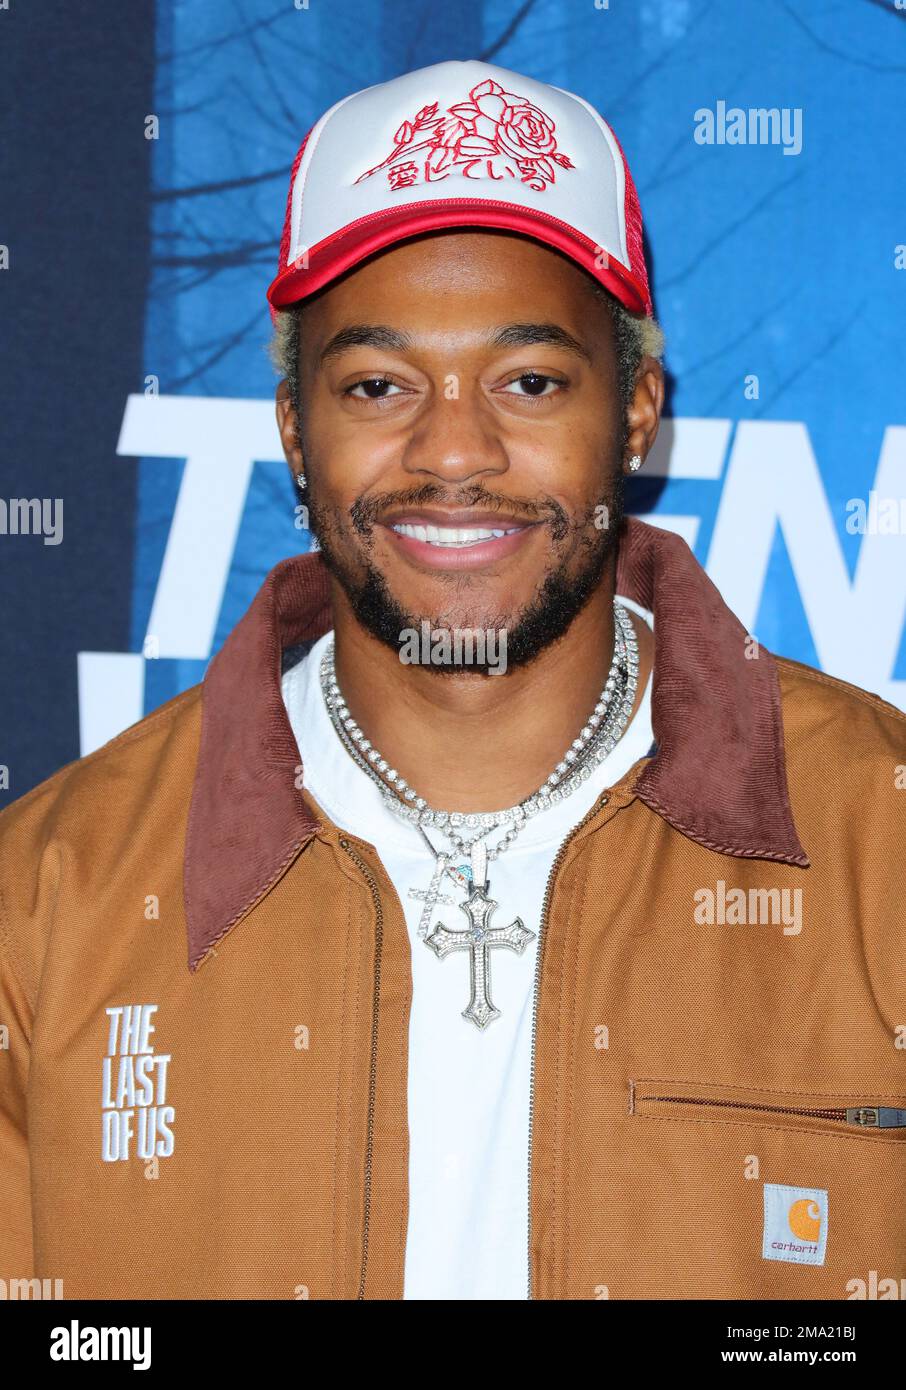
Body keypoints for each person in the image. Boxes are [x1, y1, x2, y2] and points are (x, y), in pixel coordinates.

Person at [1, 59, 903, 1303]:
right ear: (291, 430)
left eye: (529, 381)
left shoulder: (884, 845)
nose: (455, 448)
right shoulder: (47, 901)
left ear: (638, 411)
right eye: (378, 384)